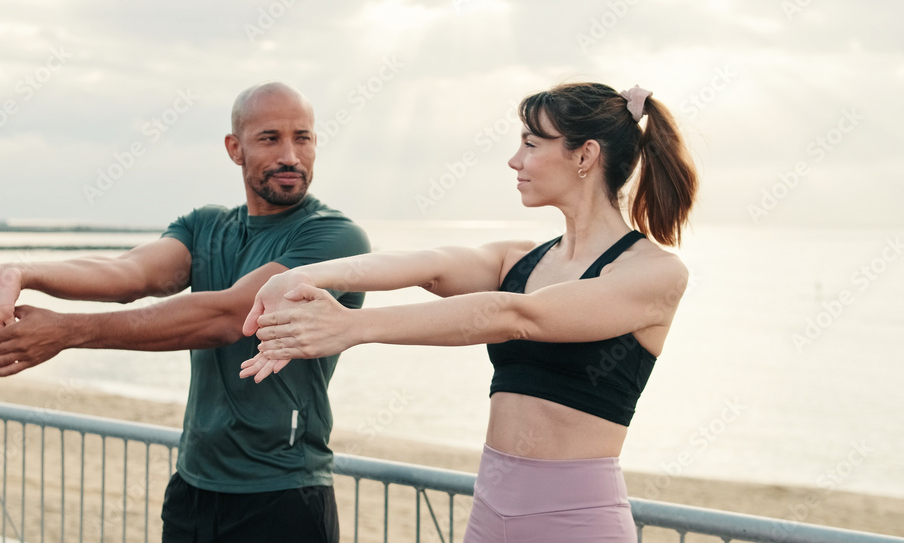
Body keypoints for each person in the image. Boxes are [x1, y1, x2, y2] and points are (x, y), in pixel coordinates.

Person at [239, 82, 698, 542]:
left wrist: (351, 327)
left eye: (531, 144)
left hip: (576, 522)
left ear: (584, 156)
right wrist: (304, 276)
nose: (514, 160)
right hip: (487, 517)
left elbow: (516, 317)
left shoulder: (654, 273)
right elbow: (430, 264)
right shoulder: (520, 259)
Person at [0, 81, 370, 543]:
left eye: (302, 137)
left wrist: (67, 331)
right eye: (270, 138)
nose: (290, 155)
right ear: (234, 148)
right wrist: (19, 272)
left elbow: (226, 317)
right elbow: (128, 273)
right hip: (192, 488)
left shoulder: (335, 240)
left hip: (284, 493)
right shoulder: (205, 226)